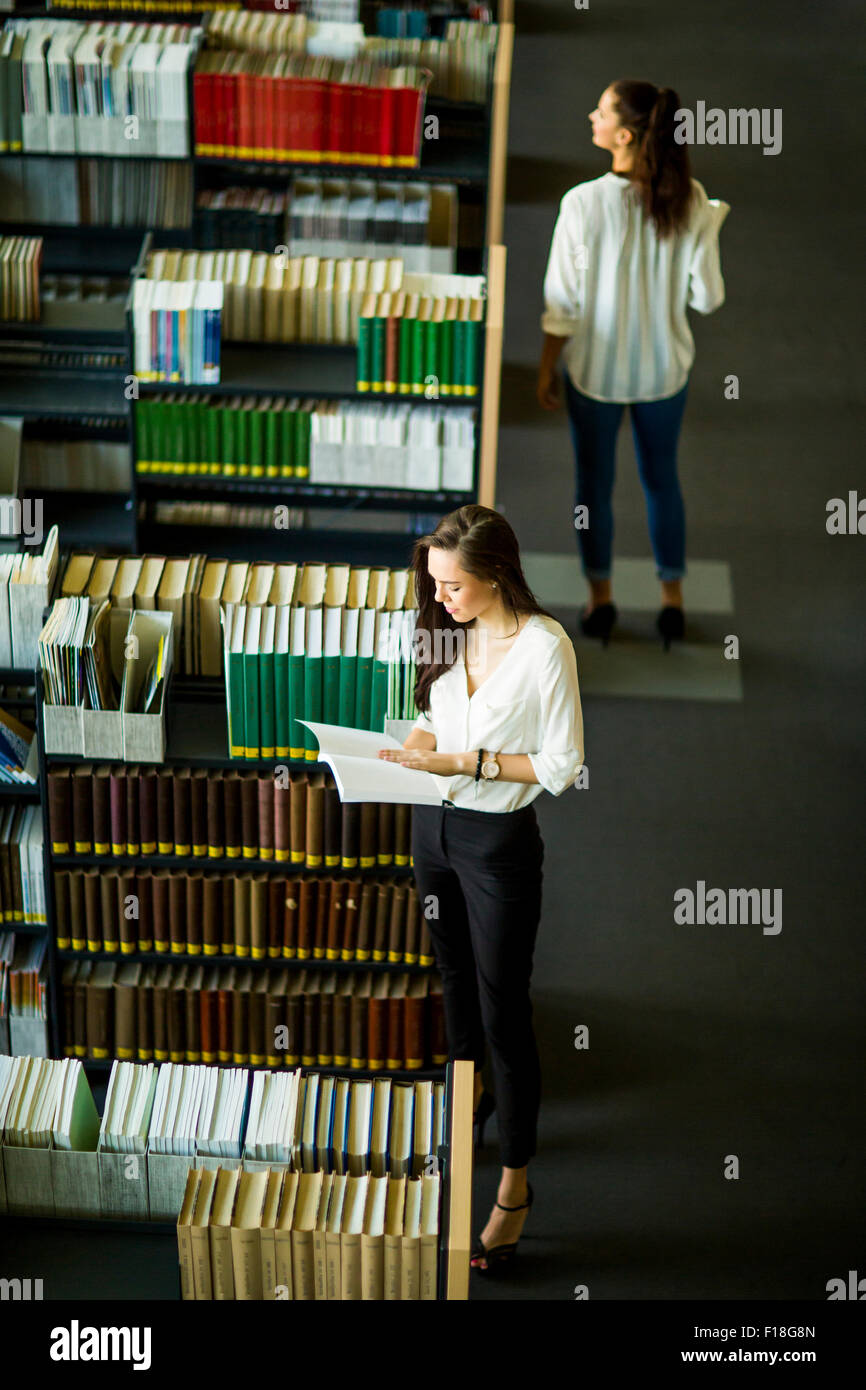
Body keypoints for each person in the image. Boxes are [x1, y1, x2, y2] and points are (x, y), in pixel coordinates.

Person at [377, 504, 585, 1275]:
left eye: (454, 585)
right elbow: (434, 714)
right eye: (435, 583)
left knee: (504, 1008)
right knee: (453, 981)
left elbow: (562, 766)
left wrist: (469, 764)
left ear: (496, 573)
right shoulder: (440, 624)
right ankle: (472, 1100)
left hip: (497, 845)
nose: (442, 598)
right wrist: (417, 747)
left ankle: (515, 1185)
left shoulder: (544, 649)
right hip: (430, 830)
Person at [538, 79, 730, 648]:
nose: (590, 117)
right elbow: (707, 298)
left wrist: (548, 367)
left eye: (599, 112)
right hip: (663, 372)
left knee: (592, 488)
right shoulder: (690, 198)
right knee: (661, 481)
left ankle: (601, 601)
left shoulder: (582, 203)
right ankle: (672, 600)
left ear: (623, 136)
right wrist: (711, 225)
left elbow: (561, 303)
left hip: (595, 373)